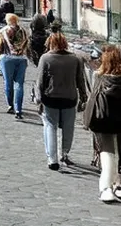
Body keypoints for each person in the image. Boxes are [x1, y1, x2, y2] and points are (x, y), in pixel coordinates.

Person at [83, 46, 121, 202]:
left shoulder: (98, 77)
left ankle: (106, 187)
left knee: (107, 152)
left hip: (103, 120)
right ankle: (119, 183)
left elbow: (92, 98)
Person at [37, 32, 89, 170]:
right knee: (68, 128)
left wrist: (38, 99)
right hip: (70, 97)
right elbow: (80, 80)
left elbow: (40, 82)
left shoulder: (46, 58)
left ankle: (52, 158)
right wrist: (83, 96)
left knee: (50, 126)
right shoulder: (75, 59)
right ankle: (64, 154)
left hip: (50, 98)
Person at [0, 13, 30, 119]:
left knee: (8, 82)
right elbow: (27, 45)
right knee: (19, 84)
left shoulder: (4, 31)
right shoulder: (23, 31)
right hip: (21, 59)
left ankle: (10, 105)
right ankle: (18, 109)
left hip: (7, 58)